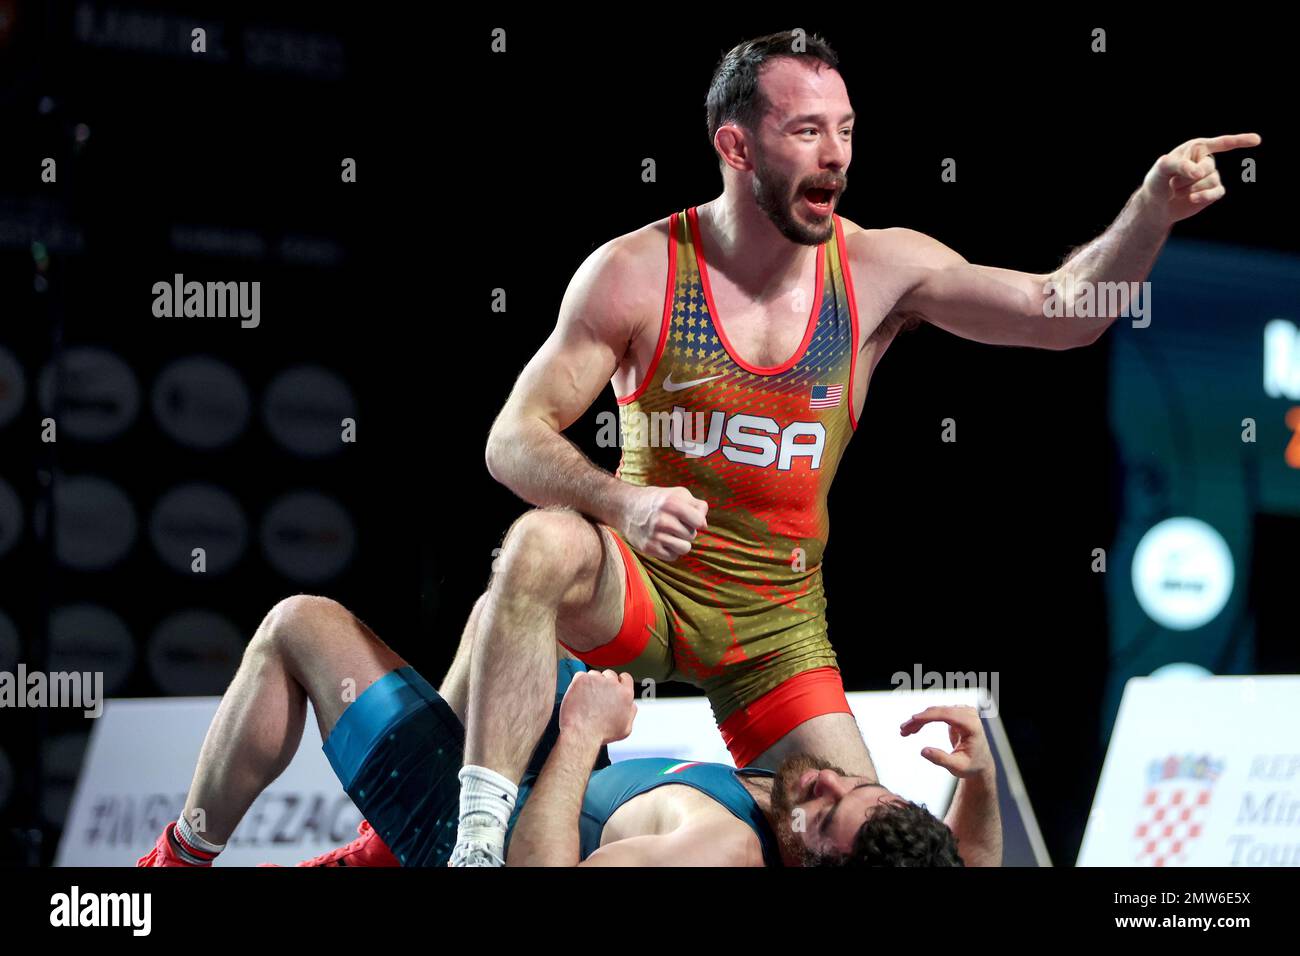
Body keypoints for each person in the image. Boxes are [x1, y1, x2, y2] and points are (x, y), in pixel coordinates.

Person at [450, 25, 1260, 865]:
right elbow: (510, 440)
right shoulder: (636, 271)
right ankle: (474, 845)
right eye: (806, 131)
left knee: (875, 852)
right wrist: (624, 502)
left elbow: (1068, 313)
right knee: (540, 545)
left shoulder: (877, 269)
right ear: (735, 144)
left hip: (775, 633)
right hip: (643, 589)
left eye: (845, 129)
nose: (835, 155)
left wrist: (1153, 208)